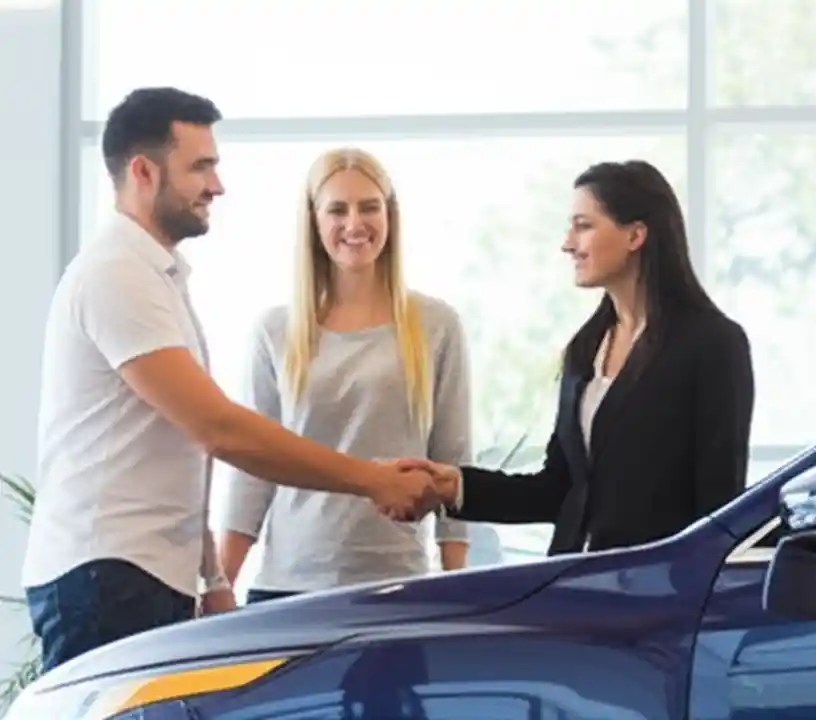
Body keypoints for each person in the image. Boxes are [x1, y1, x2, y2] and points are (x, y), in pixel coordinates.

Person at [21, 88, 442, 673]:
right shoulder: (116, 276)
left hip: (139, 576)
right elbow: (219, 428)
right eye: (201, 167)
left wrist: (214, 579)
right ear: (143, 172)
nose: (217, 185)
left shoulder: (157, 277)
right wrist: (371, 480)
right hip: (106, 579)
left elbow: (182, 455)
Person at [416, 160, 755, 554]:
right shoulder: (586, 348)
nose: (567, 243)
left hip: (659, 596)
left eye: (583, 225)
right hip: (573, 588)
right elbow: (558, 489)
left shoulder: (713, 344)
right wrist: (455, 486)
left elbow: (720, 504)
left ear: (636, 234)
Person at [215, 148, 472, 603]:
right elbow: (253, 469)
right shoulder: (276, 330)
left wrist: (457, 586)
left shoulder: (435, 324)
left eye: (369, 207)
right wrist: (219, 584)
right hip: (289, 586)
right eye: (337, 209)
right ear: (314, 221)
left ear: (390, 216)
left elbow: (453, 459)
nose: (355, 224)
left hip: (398, 584)